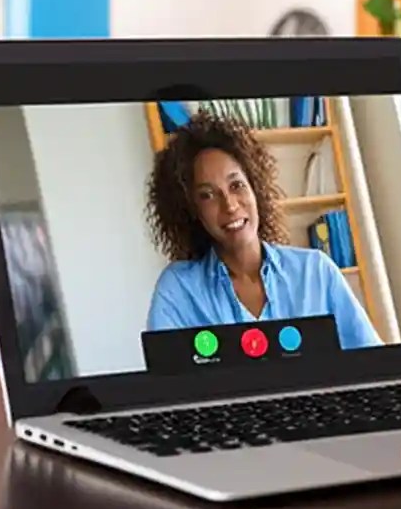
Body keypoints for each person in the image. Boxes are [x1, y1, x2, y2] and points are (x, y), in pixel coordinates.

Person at [143, 110, 382, 351]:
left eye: (237, 185)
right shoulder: (179, 290)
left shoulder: (316, 272)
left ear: (255, 189)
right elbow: (169, 374)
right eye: (207, 195)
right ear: (192, 209)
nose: (230, 205)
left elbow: (372, 361)